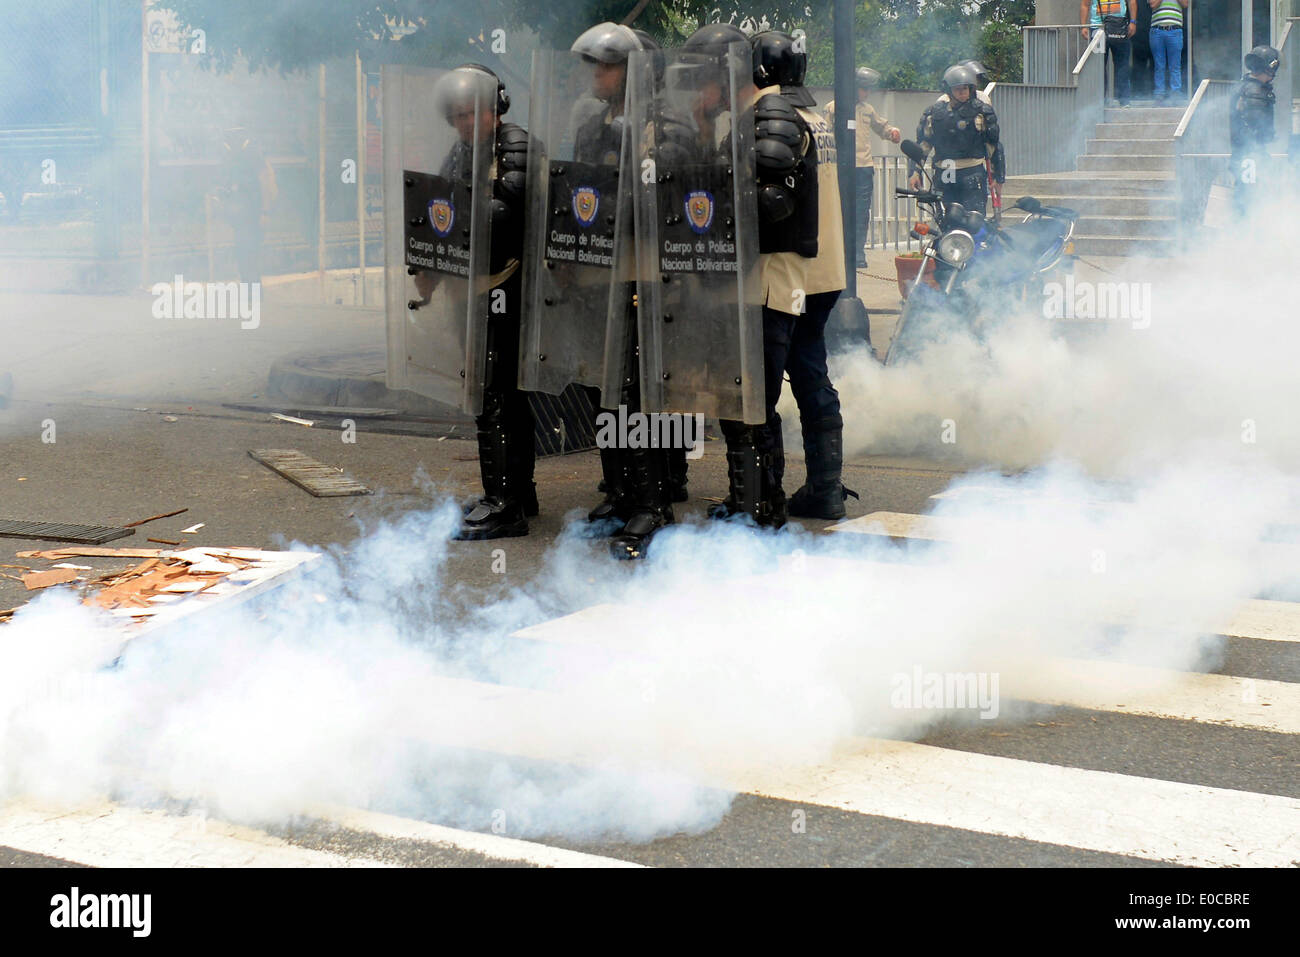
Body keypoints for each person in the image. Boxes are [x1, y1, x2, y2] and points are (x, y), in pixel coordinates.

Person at [569, 22, 681, 557]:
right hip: (601, 275)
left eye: (608, 65)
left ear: (636, 73)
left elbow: (672, 205)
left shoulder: (666, 125)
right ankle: (619, 491)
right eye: (596, 64)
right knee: (605, 389)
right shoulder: (594, 124)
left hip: (648, 277)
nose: (597, 74)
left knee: (641, 394)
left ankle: (652, 503)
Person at [414, 66, 537, 540]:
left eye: (472, 114)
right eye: (458, 117)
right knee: (494, 393)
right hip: (472, 289)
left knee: (499, 395)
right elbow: (438, 213)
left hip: (509, 287)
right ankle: (514, 492)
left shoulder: (517, 147)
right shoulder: (462, 153)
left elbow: (504, 217)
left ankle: (505, 504)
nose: (465, 124)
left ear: (497, 107)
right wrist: (428, 262)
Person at [704, 27, 820, 528]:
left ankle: (759, 508)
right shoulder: (757, 116)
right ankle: (751, 501)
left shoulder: (771, 115)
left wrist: (714, 223)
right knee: (745, 397)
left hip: (767, 277)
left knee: (753, 397)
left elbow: (770, 203)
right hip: (756, 276)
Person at [824, 67, 900, 269]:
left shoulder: (867, 109)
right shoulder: (833, 108)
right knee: (839, 210)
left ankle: (857, 252)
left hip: (863, 167)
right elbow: (824, 135)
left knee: (861, 212)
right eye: (863, 89)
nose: (866, 93)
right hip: (841, 167)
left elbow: (880, 127)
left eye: (868, 90)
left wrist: (892, 132)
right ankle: (839, 252)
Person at [908, 64, 1000, 216]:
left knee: (975, 220)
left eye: (965, 89)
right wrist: (915, 172)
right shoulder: (934, 114)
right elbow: (923, 145)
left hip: (972, 171)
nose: (962, 93)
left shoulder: (982, 112)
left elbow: (993, 144)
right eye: (958, 89)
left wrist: (996, 176)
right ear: (949, 90)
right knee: (945, 218)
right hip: (945, 170)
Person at [217, 128, 277, 283]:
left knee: (249, 260)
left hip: (252, 218)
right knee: (244, 260)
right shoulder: (234, 159)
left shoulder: (253, 156)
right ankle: (251, 299)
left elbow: (265, 184)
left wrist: (265, 212)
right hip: (241, 220)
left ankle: (255, 300)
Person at [1229, 45, 1279, 220]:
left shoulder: (1245, 86)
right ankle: (1243, 232)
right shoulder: (1254, 91)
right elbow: (1256, 127)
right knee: (1247, 195)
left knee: (1248, 193)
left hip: (1247, 154)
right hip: (1249, 155)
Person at [1082, 0, 1137, 107]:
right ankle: (1101, 100)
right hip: (1100, 28)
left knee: (1121, 65)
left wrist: (1133, 22)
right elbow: (1085, 4)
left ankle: (1123, 99)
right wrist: (1084, 26)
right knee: (1100, 67)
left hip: (1115, 27)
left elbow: (1132, 2)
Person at [1148, 0, 1187, 101]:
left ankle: (1175, 93)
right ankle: (1159, 93)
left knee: (1175, 65)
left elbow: (1185, 4)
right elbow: (1153, 4)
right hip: (1157, 30)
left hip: (1175, 30)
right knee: (1159, 65)